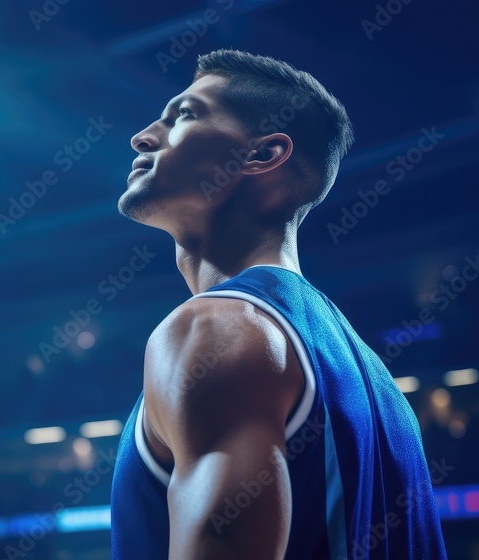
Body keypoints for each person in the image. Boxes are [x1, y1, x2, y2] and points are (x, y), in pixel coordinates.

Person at [109, 49, 448, 559]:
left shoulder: (217, 327)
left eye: (184, 115)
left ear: (263, 155)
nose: (143, 136)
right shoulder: (379, 385)